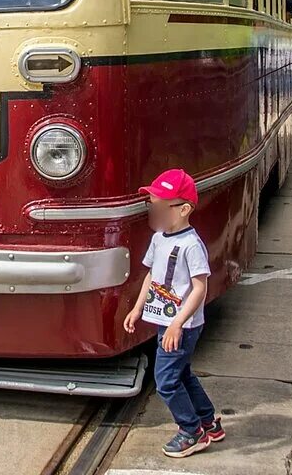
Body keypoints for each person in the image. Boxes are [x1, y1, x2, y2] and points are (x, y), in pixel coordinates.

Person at [123, 169, 222, 458]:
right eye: (151, 205)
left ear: (183, 209)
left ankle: (192, 431)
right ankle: (208, 421)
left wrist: (178, 324)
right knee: (182, 373)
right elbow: (151, 275)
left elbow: (200, 287)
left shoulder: (191, 245)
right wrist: (138, 308)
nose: (153, 212)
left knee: (166, 382)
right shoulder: (159, 238)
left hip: (182, 325)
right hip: (167, 322)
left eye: (160, 207)